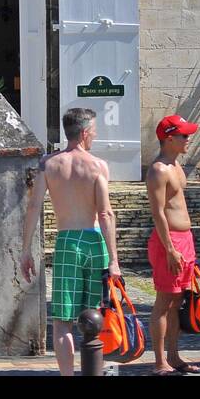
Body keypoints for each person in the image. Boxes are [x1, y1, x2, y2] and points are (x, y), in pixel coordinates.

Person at [20, 106, 120, 376]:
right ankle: (93, 371)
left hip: (67, 242)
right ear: (85, 132)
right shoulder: (98, 166)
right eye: (95, 131)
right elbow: (105, 213)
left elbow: (33, 208)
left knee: (63, 320)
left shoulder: (49, 165)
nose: (96, 136)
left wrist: (26, 250)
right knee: (94, 314)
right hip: (94, 240)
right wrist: (114, 260)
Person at [145, 114, 200, 376]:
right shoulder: (158, 170)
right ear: (169, 138)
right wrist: (169, 248)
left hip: (185, 239)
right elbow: (158, 212)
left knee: (178, 301)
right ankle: (159, 362)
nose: (188, 139)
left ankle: (174, 356)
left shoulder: (177, 166)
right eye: (183, 135)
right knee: (163, 301)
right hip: (169, 242)